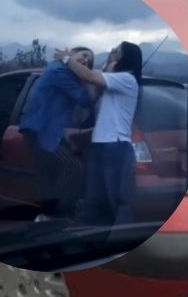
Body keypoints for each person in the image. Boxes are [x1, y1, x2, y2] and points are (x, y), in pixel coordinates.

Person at [58, 41, 142, 228]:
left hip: (116, 146)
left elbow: (89, 77)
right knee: (95, 198)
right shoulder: (113, 83)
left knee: (117, 200)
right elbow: (92, 87)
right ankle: (93, 236)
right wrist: (103, 69)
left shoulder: (126, 79)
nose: (112, 53)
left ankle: (121, 238)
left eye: (116, 51)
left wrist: (66, 58)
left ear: (124, 57)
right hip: (101, 145)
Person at [18, 47, 96, 222]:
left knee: (50, 178)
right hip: (41, 131)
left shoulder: (62, 72)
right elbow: (85, 99)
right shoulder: (60, 71)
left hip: (42, 131)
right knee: (75, 168)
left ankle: (46, 217)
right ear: (72, 53)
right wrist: (89, 78)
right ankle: (58, 216)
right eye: (83, 55)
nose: (85, 61)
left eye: (89, 62)